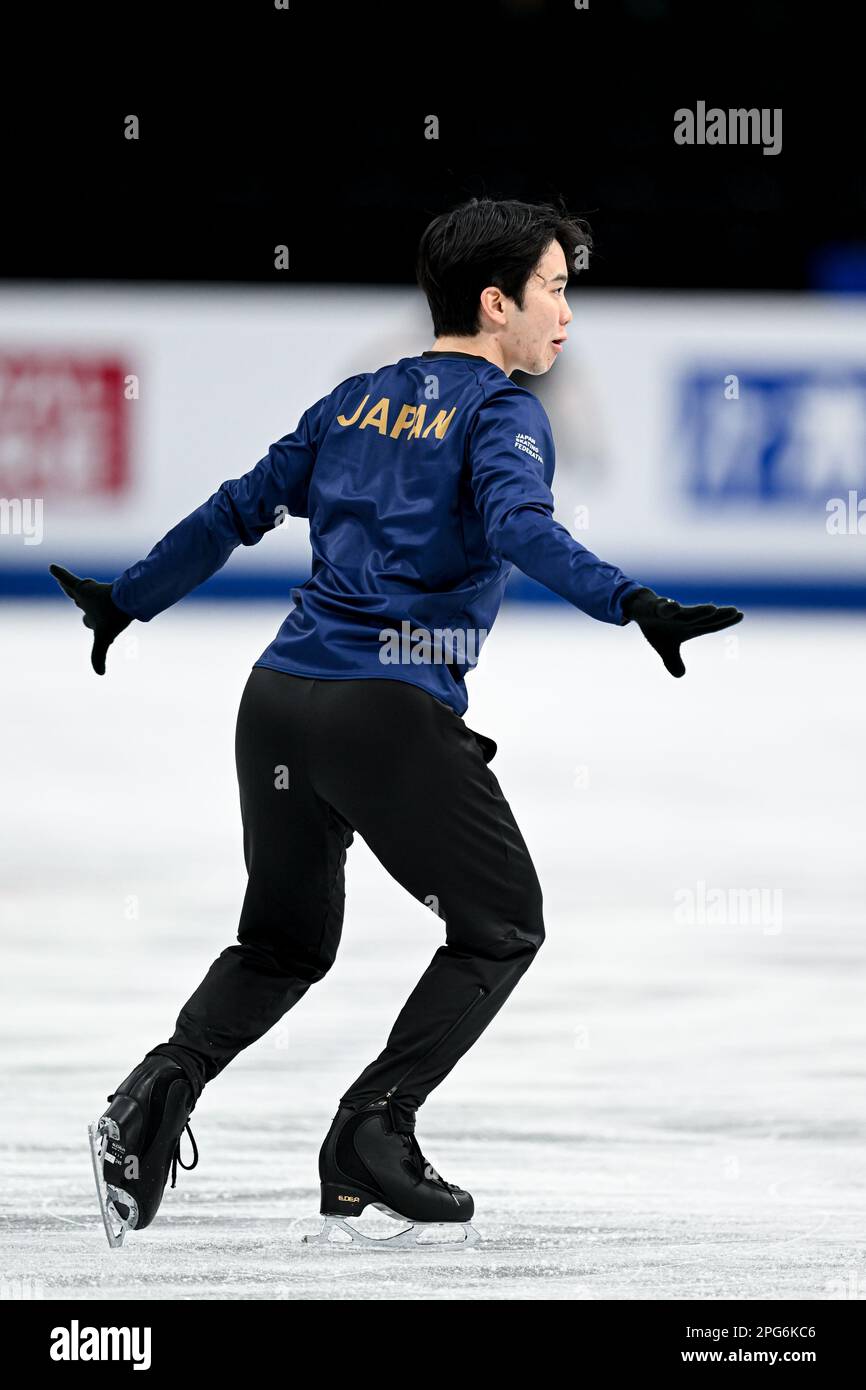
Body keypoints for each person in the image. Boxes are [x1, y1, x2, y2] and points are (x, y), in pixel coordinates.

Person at [52, 197, 743, 1249]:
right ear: (494, 299)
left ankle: (159, 1086)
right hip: (386, 713)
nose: (566, 316)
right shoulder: (501, 412)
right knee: (501, 924)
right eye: (554, 290)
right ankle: (372, 1130)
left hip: (278, 700)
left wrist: (128, 598)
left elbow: (235, 510)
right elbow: (518, 525)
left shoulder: (351, 402)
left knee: (282, 945)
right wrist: (630, 601)